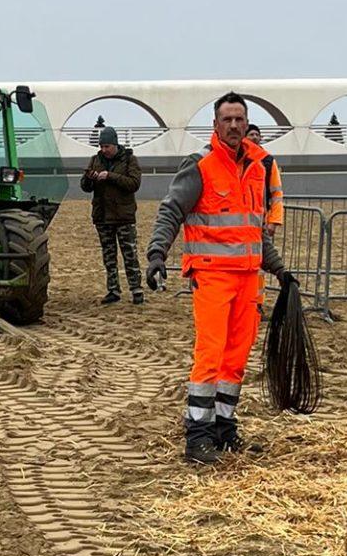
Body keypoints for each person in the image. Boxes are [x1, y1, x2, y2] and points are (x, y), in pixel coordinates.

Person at [146, 92, 288, 465]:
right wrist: (157, 254)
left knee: (235, 358)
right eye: (227, 119)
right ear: (215, 125)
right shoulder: (200, 166)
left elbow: (254, 231)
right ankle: (198, 435)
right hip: (211, 277)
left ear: (247, 123)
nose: (234, 126)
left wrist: (279, 269)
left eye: (239, 119)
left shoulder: (257, 169)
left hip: (247, 280)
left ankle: (224, 428)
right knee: (210, 355)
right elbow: (170, 211)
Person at [80, 125, 144, 305]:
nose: (103, 150)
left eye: (107, 146)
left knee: (130, 254)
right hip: (102, 216)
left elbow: (133, 183)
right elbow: (85, 187)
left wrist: (110, 176)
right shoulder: (95, 160)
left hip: (123, 216)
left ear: (115, 145)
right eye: (101, 146)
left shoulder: (130, 160)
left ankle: (136, 289)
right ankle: (113, 290)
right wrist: (89, 178)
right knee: (109, 256)